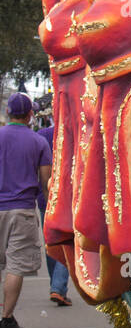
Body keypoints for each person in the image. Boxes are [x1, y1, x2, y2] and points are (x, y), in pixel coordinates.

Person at [0, 92, 51, 328]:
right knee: (16, 265)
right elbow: (46, 181)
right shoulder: (38, 141)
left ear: (8, 113)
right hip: (22, 209)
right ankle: (6, 318)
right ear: (30, 115)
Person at [36, 119, 71, 305]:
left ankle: (56, 285)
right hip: (69, 196)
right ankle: (58, 287)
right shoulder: (73, 130)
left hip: (45, 198)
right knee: (66, 241)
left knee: (50, 241)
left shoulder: (42, 135)